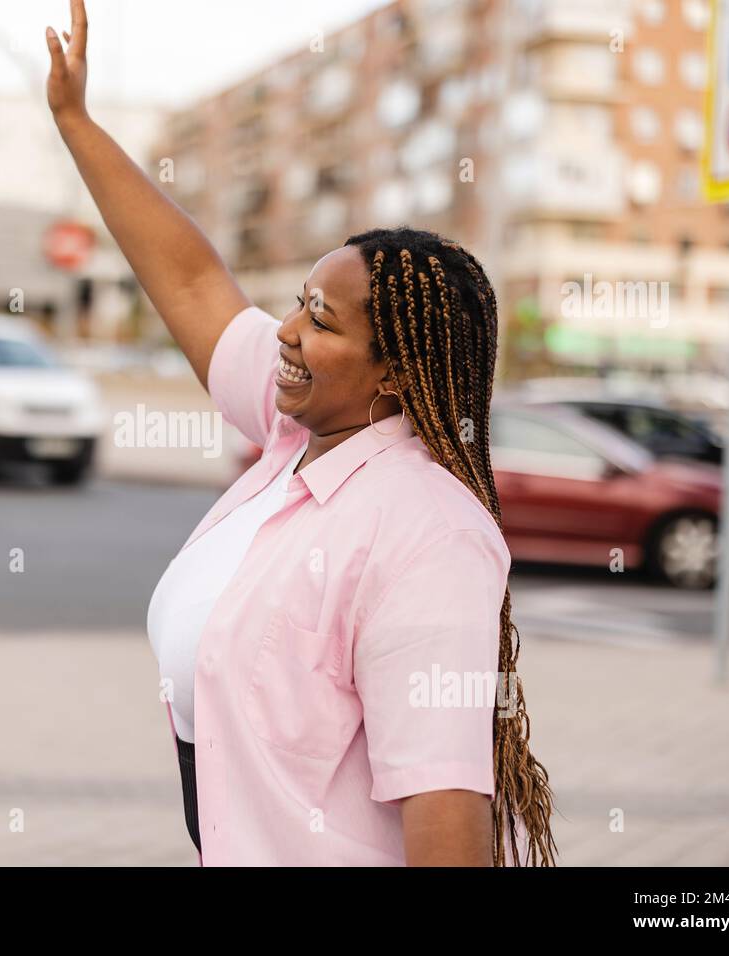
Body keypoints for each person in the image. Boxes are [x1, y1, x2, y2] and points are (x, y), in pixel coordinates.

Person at [44, 0, 557, 866]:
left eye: (320, 319)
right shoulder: (298, 438)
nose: (286, 331)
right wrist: (75, 122)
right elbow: (196, 281)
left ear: (392, 372)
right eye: (296, 304)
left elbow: (443, 802)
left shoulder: (427, 532)